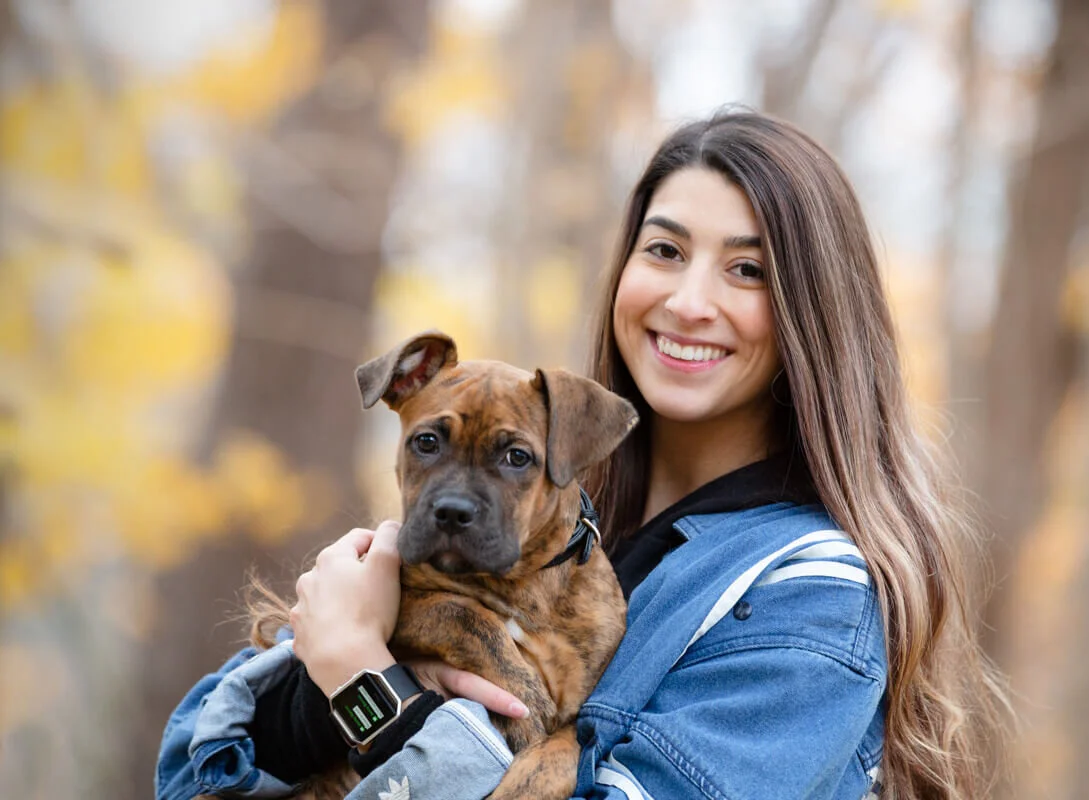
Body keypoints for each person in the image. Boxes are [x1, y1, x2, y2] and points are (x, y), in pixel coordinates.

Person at [156, 111, 1010, 800]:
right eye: (665, 250)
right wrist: (316, 689)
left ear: (812, 317)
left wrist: (367, 685)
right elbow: (197, 759)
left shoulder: (807, 596)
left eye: (748, 270)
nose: (688, 300)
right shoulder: (555, 519)